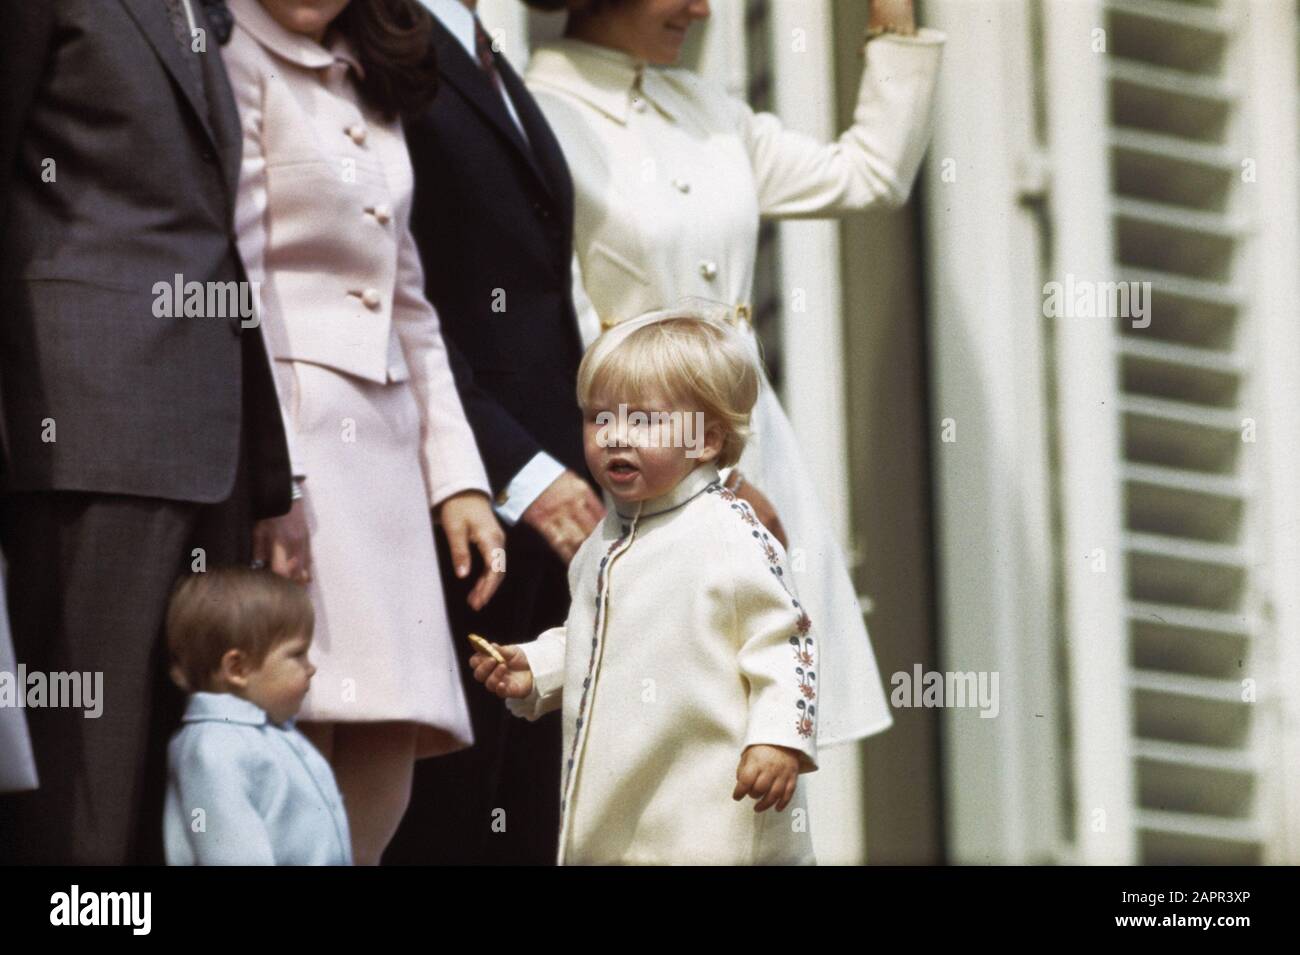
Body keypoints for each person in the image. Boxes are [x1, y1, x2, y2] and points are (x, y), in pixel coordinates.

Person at [522, 0, 945, 745]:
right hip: (646, 483)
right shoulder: (540, 116)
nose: (703, 9)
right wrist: (709, 478)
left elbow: (872, 174)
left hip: (759, 463)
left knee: (776, 744)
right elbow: (577, 335)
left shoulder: (706, 107)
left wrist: (892, 18)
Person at [0, 0, 294, 864]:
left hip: (210, 436)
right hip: (83, 423)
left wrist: (267, 465)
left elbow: (209, 232)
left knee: (191, 786)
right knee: (83, 786)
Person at [222, 0, 505, 865]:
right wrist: (280, 478)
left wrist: (456, 476)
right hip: (300, 440)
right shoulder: (229, 48)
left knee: (389, 741)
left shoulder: (368, 65)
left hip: (386, 454)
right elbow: (243, 280)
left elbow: (408, 296)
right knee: (298, 737)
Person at [473, 304, 818, 864]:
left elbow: (788, 641)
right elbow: (594, 635)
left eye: (645, 421)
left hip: (712, 802)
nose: (615, 437)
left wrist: (778, 739)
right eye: (599, 418)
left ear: (705, 441)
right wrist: (535, 667)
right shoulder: (604, 541)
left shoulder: (729, 531)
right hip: (620, 807)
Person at [386, 0, 604, 866]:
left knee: (531, 808)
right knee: (455, 814)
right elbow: (408, 297)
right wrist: (517, 466)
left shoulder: (488, 53)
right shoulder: (388, 35)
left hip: (558, 493)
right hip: (466, 498)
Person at [164, 567, 352, 866]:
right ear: (238, 668)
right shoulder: (214, 747)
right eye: (297, 654)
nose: (311, 667)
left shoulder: (270, 736)